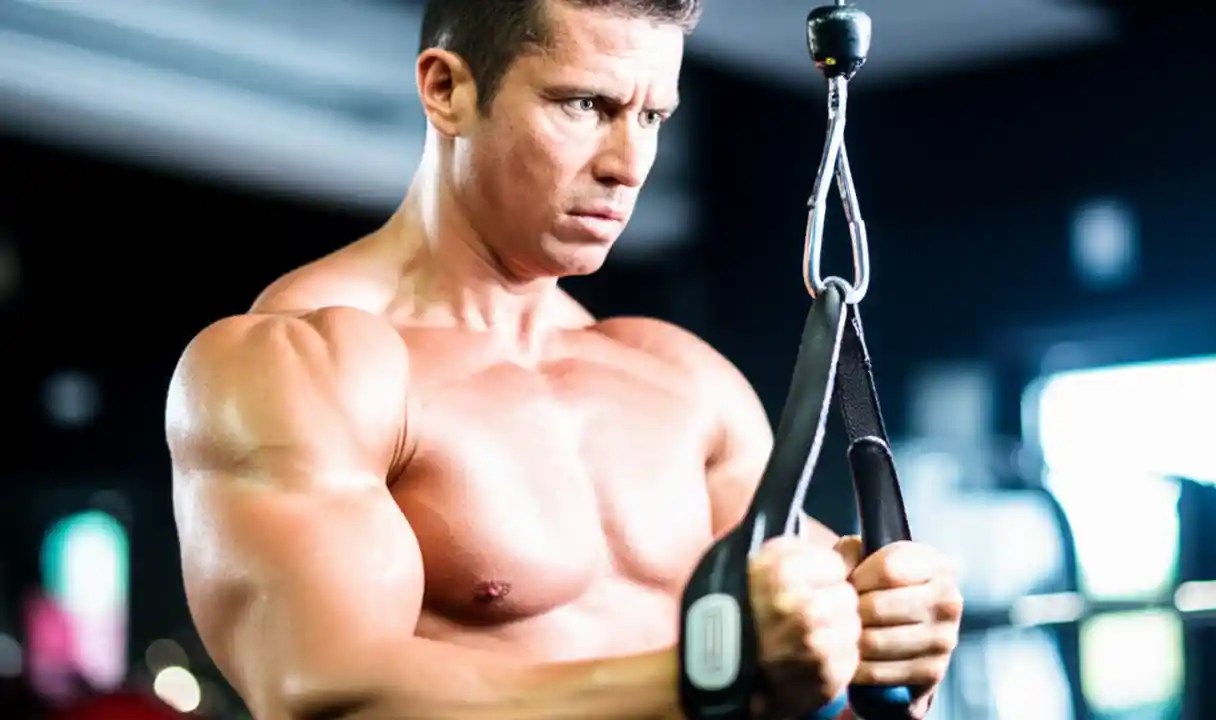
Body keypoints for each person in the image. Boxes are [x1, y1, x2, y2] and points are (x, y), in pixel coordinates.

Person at [164, 1, 963, 718]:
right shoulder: (301, 364)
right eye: (586, 105)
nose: (629, 164)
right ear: (447, 90)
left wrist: (893, 641)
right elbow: (323, 689)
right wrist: (701, 679)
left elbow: (827, 675)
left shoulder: (681, 383)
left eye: (652, 117)